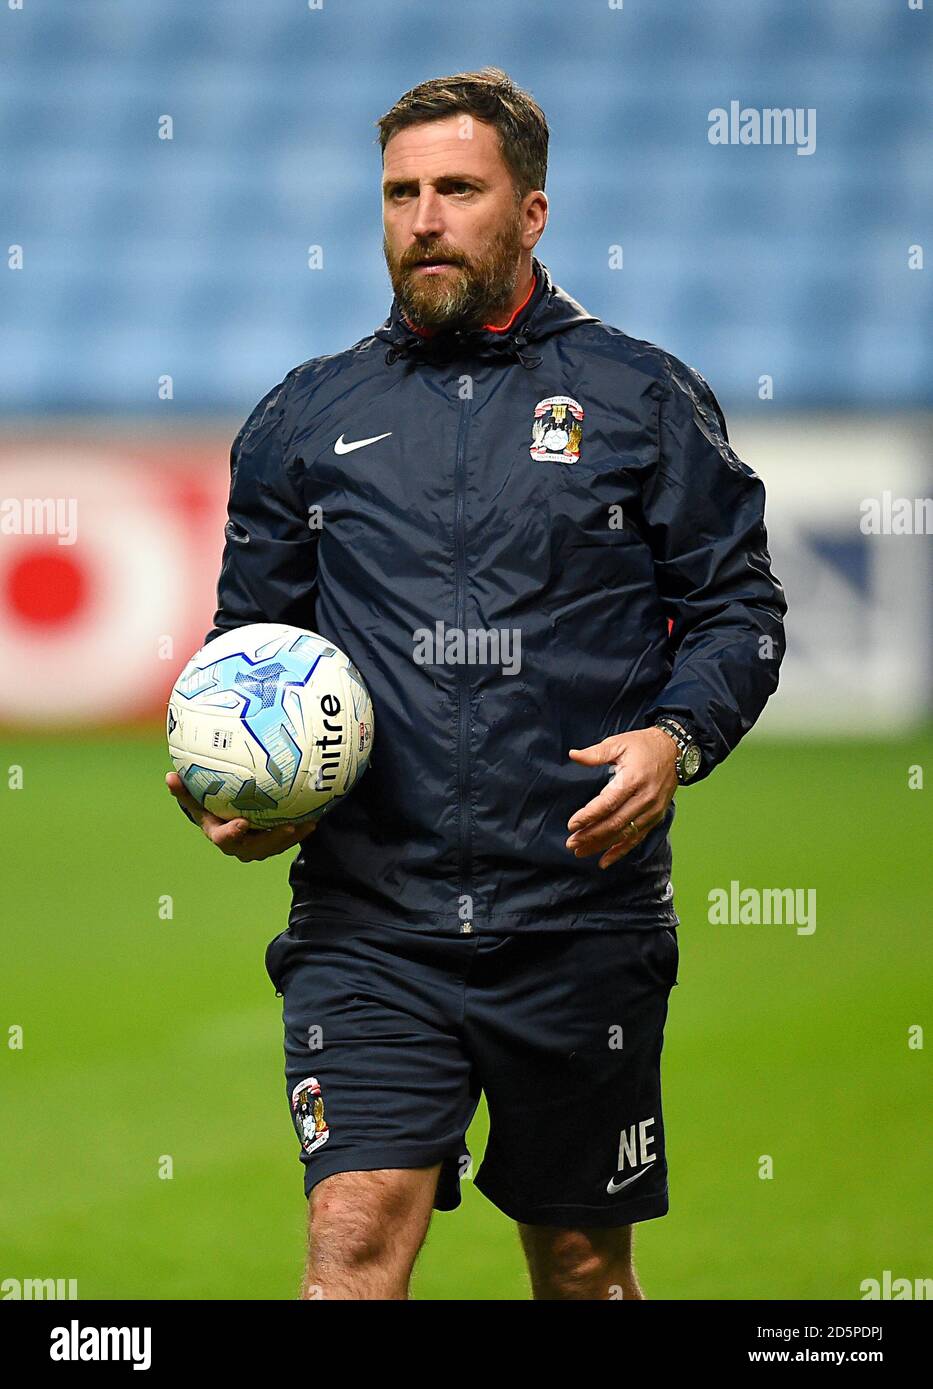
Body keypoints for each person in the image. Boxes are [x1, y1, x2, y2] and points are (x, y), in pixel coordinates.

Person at [166, 67, 787, 1300]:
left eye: (457, 188)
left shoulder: (642, 400)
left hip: (580, 920)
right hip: (370, 923)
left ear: (533, 212)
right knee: (352, 1250)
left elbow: (740, 612)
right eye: (400, 193)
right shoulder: (302, 418)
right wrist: (230, 795)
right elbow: (246, 655)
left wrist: (675, 740)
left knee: (580, 1267)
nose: (424, 218)